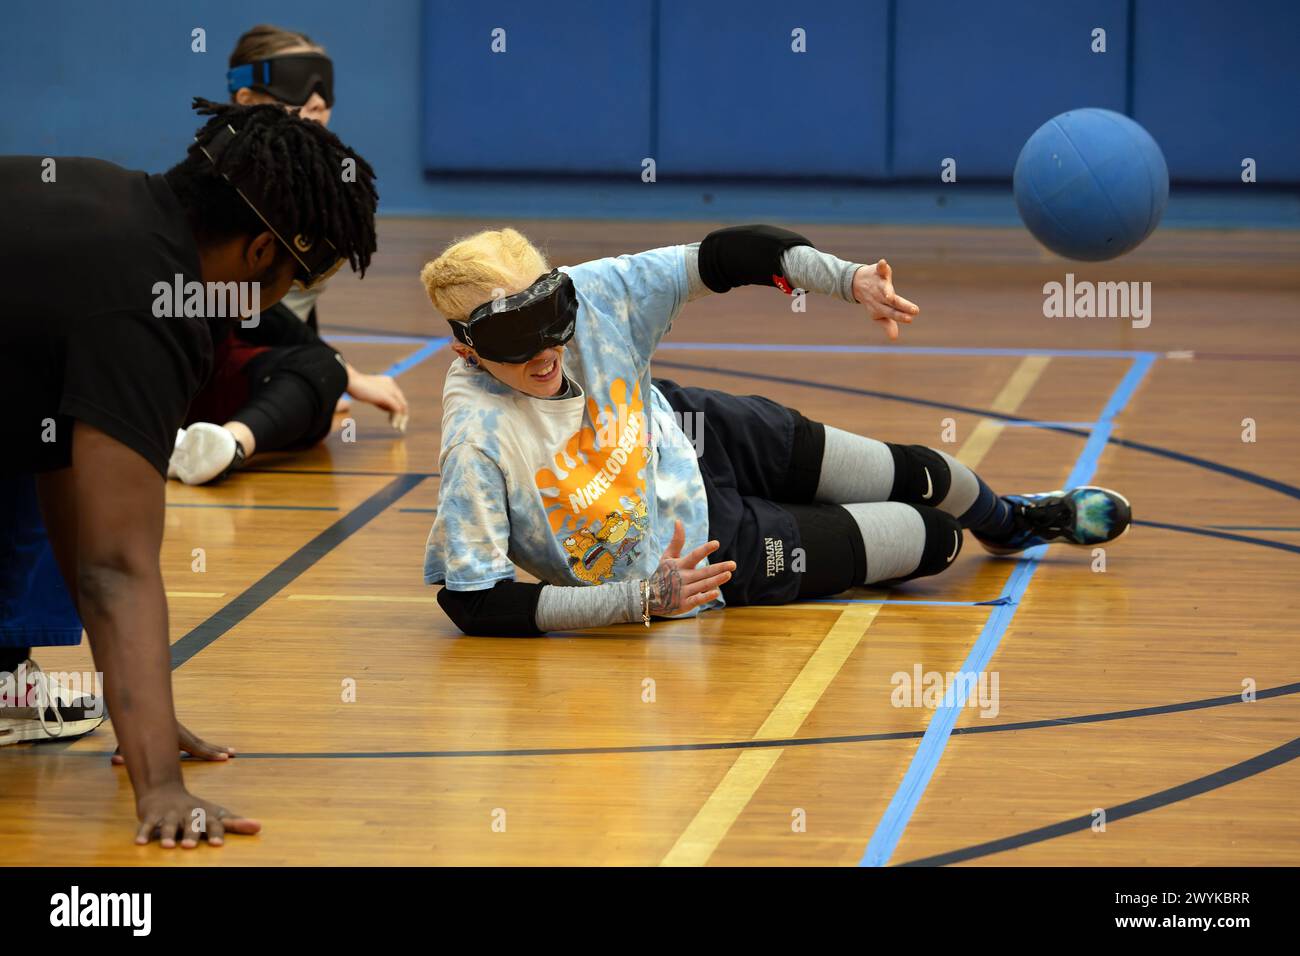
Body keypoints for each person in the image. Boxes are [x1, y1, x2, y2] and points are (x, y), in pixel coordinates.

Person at [418, 226, 1131, 635]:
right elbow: (472, 601)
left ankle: (1012, 523)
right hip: (699, 557)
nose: (547, 355)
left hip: (701, 433)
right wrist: (635, 602)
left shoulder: (594, 291)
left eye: (554, 328)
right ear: (466, 350)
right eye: (517, 346)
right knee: (935, 540)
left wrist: (846, 279)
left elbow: (730, 255)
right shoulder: (477, 438)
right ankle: (956, 531)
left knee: (931, 477)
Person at [0, 98, 379, 847]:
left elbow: (61, 480)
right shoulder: (149, 299)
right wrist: (162, 788)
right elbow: (116, 568)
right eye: (295, 280)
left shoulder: (108, 202)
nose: (277, 305)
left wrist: (140, 707)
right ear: (264, 252)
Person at [168, 23, 407, 485]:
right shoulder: (213, 182)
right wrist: (349, 373)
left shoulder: (316, 185)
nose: (317, 99)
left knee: (319, 376)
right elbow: (231, 299)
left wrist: (329, 374)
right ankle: (169, 434)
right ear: (245, 97)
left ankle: (222, 447)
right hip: (189, 352)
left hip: (245, 360)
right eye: (298, 81)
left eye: (325, 85)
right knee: (328, 371)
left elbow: (283, 309)